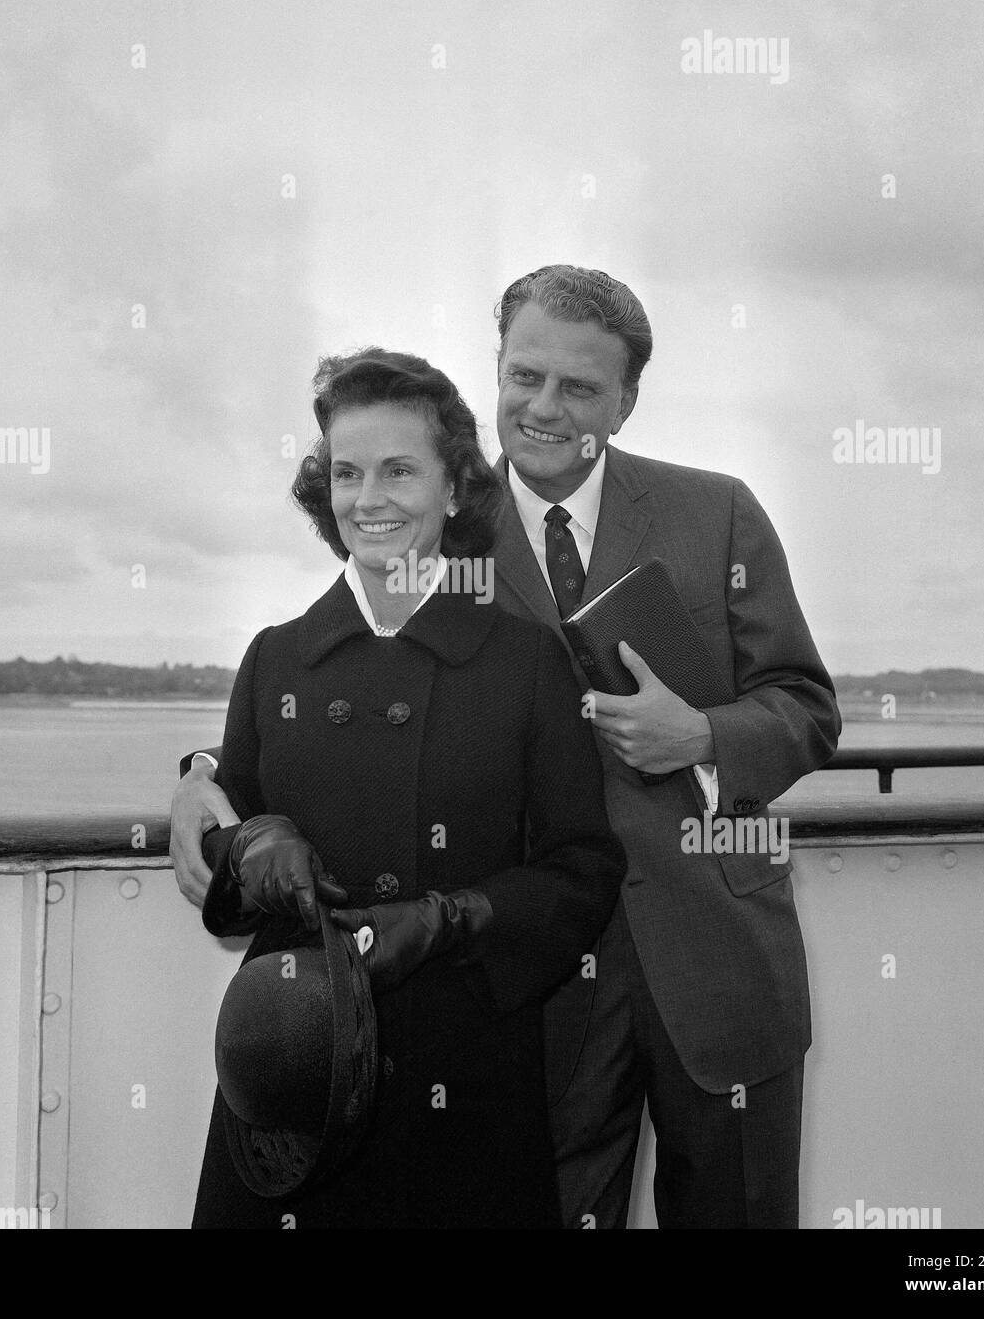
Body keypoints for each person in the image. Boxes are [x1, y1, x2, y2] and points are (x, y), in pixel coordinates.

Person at [175, 266, 841, 1229]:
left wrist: (698, 734)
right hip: (536, 979)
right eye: (525, 376)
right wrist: (203, 777)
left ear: (626, 399)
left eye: (579, 387)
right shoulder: (435, 520)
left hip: (713, 952)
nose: (544, 407)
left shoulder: (718, 511)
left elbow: (807, 708)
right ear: (495, 369)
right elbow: (330, 677)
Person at [188, 347, 625, 1229]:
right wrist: (245, 848)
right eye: (345, 474)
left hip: (463, 1081)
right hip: (292, 1081)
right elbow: (220, 865)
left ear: (455, 489)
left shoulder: (526, 663)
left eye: (398, 471)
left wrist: (446, 921)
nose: (368, 499)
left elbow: (582, 872)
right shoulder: (276, 656)